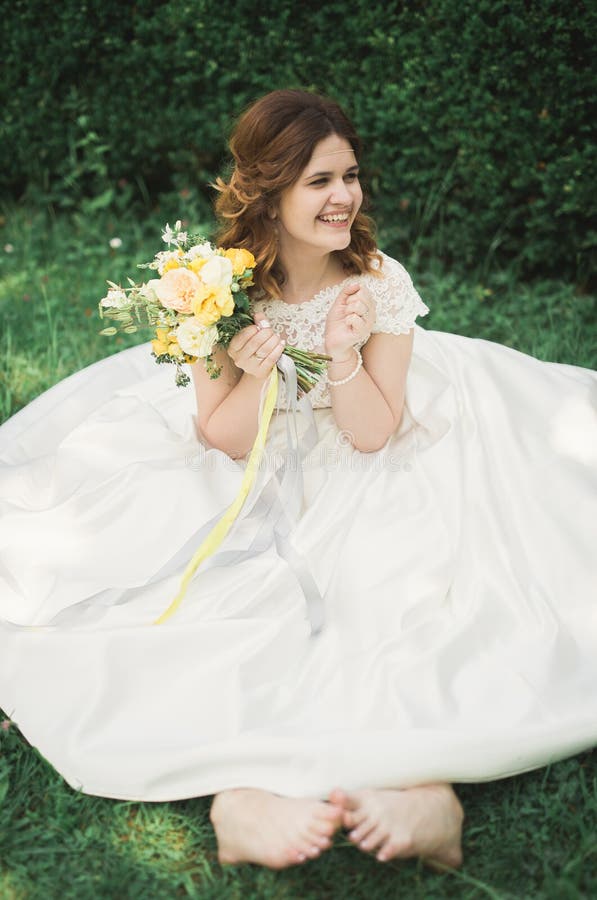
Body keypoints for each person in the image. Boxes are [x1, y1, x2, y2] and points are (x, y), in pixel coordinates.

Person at [0, 89, 595, 873]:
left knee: (402, 595)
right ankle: (249, 797)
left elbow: (376, 433)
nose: (343, 195)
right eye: (318, 181)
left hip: (372, 433)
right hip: (256, 448)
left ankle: (417, 789)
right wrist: (250, 379)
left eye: (349, 175)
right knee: (205, 591)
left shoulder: (373, 281)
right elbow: (218, 438)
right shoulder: (208, 288)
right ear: (268, 191)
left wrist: (344, 351)